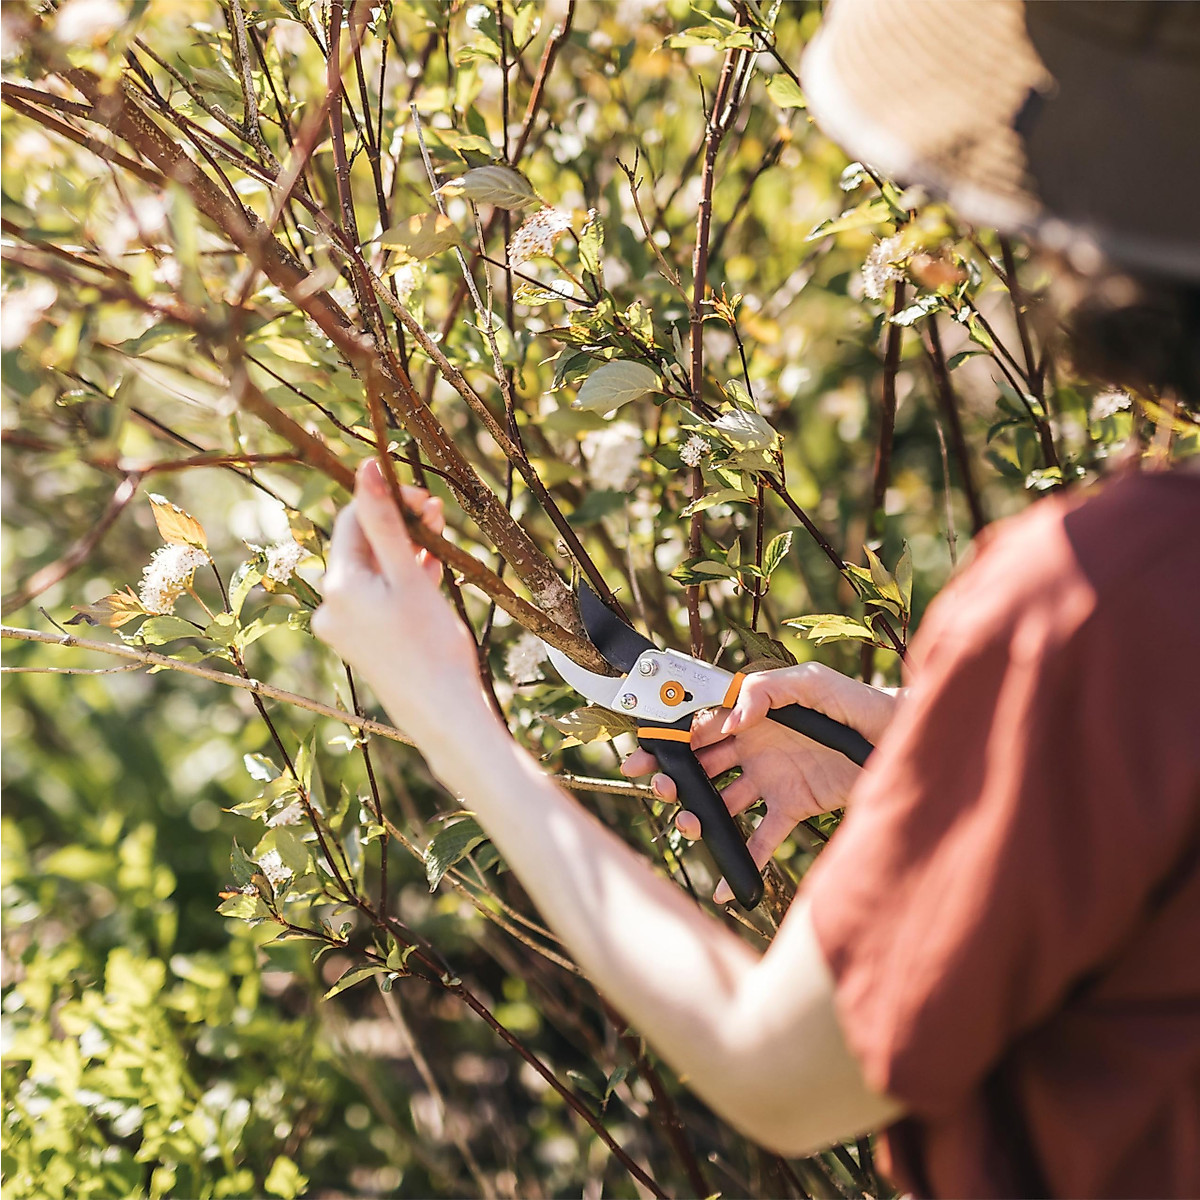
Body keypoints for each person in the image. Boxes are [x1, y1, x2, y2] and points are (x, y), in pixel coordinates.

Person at [313, 3, 1200, 1196]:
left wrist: (445, 714)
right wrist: (941, 768)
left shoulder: (1103, 601)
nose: (1021, 137)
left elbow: (779, 1076)